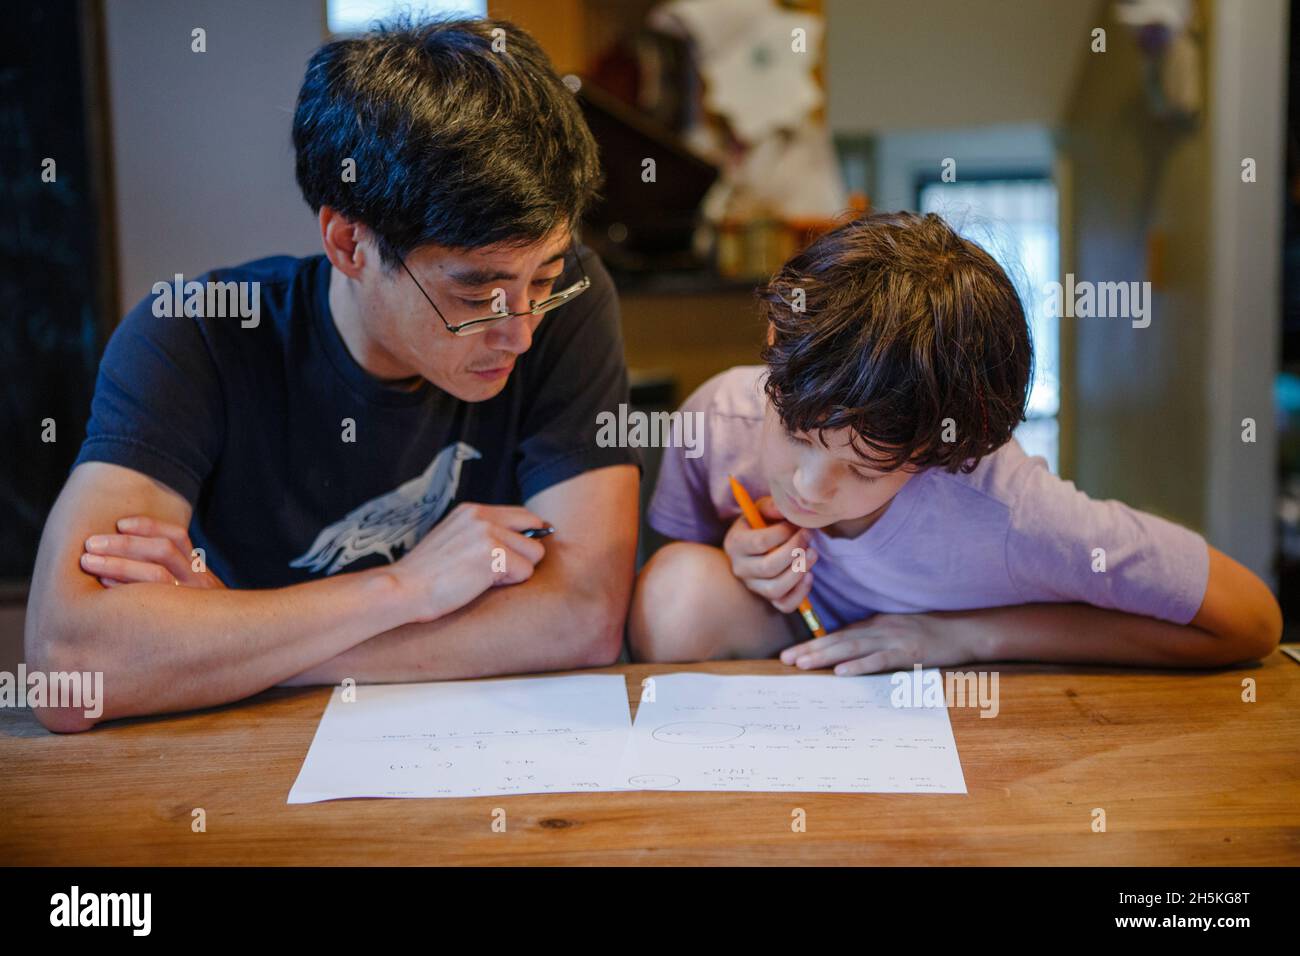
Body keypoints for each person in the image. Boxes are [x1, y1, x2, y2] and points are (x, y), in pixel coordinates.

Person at [26, 17, 640, 732]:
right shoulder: (197, 334)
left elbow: (583, 620)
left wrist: (228, 639)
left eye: (544, 281)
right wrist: (402, 588)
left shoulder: (571, 305)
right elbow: (71, 671)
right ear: (349, 241)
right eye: (476, 296)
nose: (522, 331)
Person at [629, 211, 1281, 672]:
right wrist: (738, 555)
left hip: (954, 697)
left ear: (940, 453)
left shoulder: (1010, 509)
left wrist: (965, 638)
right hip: (797, 667)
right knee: (673, 592)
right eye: (796, 434)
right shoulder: (721, 418)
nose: (806, 484)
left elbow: (1250, 620)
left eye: (861, 470)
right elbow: (673, 578)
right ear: (774, 350)